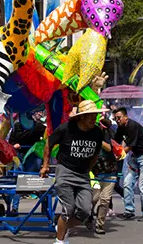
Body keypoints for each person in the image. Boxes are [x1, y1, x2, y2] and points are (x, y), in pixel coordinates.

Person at [40, 100, 105, 244]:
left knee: (85, 211)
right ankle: (59, 240)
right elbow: (48, 144)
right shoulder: (66, 128)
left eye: (95, 115)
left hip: (83, 174)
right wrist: (45, 165)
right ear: (81, 117)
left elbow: (96, 154)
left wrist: (88, 170)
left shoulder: (97, 133)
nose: (94, 118)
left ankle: (62, 228)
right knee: (68, 209)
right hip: (65, 171)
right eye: (90, 116)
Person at [113, 107, 143, 221]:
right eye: (115, 118)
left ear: (125, 117)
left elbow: (130, 146)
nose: (117, 120)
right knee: (127, 183)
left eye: (118, 118)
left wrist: (118, 156)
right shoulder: (121, 128)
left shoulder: (132, 126)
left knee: (142, 186)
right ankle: (129, 211)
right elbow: (115, 141)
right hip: (135, 156)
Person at [89, 118, 119, 235]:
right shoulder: (89, 139)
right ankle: (89, 215)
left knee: (105, 200)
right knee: (94, 199)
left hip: (110, 173)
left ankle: (99, 224)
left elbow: (109, 148)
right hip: (95, 175)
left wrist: (99, 140)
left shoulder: (107, 135)